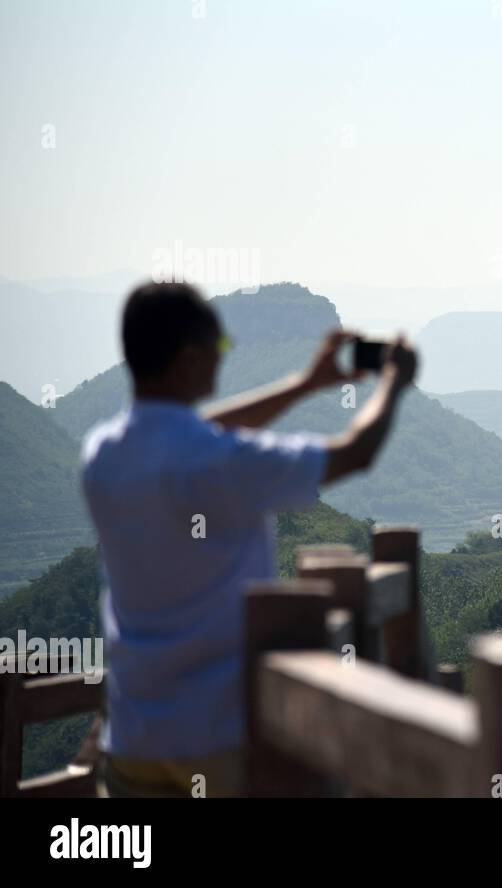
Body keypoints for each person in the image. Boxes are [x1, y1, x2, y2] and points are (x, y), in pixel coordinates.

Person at [80, 281, 418, 797]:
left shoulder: (102, 455)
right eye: (219, 349)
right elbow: (356, 451)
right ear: (190, 358)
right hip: (220, 734)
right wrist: (394, 382)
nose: (222, 361)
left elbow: (187, 432)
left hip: (134, 736)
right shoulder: (223, 465)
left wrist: (305, 384)